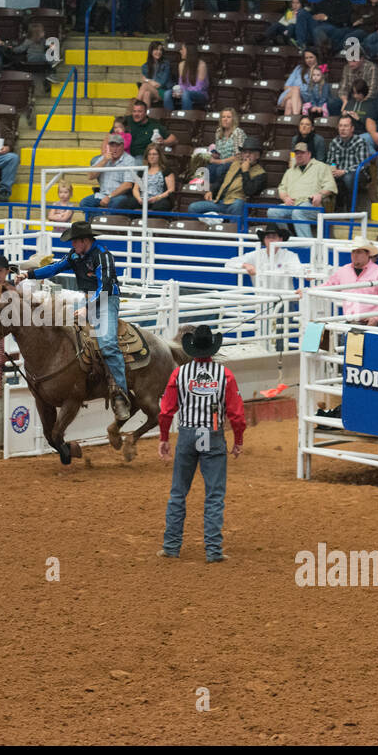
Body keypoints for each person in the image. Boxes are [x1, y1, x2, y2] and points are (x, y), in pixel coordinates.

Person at [24, 220, 132, 422]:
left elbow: (106, 285)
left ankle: (120, 395)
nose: (72, 245)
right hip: (87, 298)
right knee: (57, 328)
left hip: (107, 299)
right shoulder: (75, 255)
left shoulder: (103, 256)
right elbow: (55, 267)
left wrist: (87, 307)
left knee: (108, 344)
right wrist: (28, 274)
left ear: (85, 240)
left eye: (75, 241)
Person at [156, 325, 244, 563]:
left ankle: (171, 546)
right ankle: (213, 550)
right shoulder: (225, 376)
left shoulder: (179, 374)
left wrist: (164, 437)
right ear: (213, 350)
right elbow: (236, 414)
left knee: (178, 493)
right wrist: (238, 440)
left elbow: (166, 411)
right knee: (214, 495)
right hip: (213, 436)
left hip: (187, 434)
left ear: (192, 349)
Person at [264, 141, 336, 237]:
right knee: (272, 212)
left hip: (311, 205)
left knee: (298, 212)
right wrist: (285, 198)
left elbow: (330, 186)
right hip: (292, 204)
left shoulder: (321, 167)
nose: (298, 155)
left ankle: (307, 246)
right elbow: (282, 188)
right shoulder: (290, 171)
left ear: (309, 154)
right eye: (296, 153)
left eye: (302, 153)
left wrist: (320, 194)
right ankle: (288, 238)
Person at [319, 240, 378, 327]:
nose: (355, 255)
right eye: (353, 252)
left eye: (359, 252)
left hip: (372, 323)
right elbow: (329, 285)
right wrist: (310, 290)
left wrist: (376, 317)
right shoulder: (344, 271)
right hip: (351, 321)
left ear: (368, 254)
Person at [191, 137, 266, 221]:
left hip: (237, 205)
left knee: (238, 203)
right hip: (220, 202)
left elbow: (249, 191)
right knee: (193, 207)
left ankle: (234, 230)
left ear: (258, 155)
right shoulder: (234, 164)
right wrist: (211, 191)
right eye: (245, 152)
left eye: (251, 153)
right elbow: (220, 180)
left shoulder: (261, 173)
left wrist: (245, 172)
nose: (247, 155)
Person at [226, 224, 303, 290]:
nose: (271, 240)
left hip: (284, 299)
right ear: (264, 240)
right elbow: (229, 263)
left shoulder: (289, 255)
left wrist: (303, 273)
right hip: (262, 299)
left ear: (280, 239)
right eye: (268, 237)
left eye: (274, 237)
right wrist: (245, 265)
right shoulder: (256, 254)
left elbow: (297, 270)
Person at [325, 115, 374, 211]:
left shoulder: (360, 142)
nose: (343, 129)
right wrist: (332, 168)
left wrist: (344, 171)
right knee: (329, 177)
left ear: (352, 129)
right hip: (340, 173)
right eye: (340, 126)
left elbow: (362, 165)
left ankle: (351, 210)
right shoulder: (334, 142)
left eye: (346, 126)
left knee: (348, 177)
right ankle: (336, 210)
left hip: (359, 174)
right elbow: (330, 161)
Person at [80, 132, 137, 211]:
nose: (114, 149)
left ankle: (103, 218)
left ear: (123, 146)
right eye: (112, 146)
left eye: (117, 146)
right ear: (109, 147)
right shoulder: (104, 158)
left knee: (116, 203)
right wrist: (104, 161)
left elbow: (128, 185)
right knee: (84, 203)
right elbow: (90, 176)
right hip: (101, 194)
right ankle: (100, 218)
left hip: (119, 195)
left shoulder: (129, 160)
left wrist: (109, 196)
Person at [114, 143, 175, 215]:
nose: (152, 157)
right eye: (149, 154)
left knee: (161, 206)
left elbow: (171, 190)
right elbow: (135, 189)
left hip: (159, 199)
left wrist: (157, 198)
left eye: (154, 154)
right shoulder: (142, 171)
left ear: (159, 156)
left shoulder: (166, 171)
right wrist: (139, 199)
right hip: (142, 199)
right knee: (125, 203)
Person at [166, 42, 209, 112]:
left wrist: (183, 92)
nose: (180, 51)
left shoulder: (201, 65)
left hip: (200, 94)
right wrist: (178, 92)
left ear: (189, 51)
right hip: (185, 92)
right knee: (167, 93)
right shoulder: (181, 65)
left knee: (186, 94)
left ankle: (186, 117)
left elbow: (199, 87)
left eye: (182, 49)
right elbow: (181, 84)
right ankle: (168, 116)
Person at [207, 107, 246, 180]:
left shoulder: (238, 132)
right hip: (220, 162)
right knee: (204, 170)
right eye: (223, 117)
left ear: (233, 119)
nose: (225, 119)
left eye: (228, 117)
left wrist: (219, 161)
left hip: (235, 163)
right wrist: (213, 155)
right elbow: (219, 152)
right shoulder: (219, 132)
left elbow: (239, 157)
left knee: (220, 171)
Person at [138, 41, 170, 106]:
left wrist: (148, 80)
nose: (159, 52)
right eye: (156, 49)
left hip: (163, 91)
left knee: (145, 85)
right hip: (151, 91)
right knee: (147, 94)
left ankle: (133, 109)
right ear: (151, 51)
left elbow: (160, 84)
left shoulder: (166, 64)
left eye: (160, 50)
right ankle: (145, 116)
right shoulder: (145, 66)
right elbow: (150, 83)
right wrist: (151, 82)